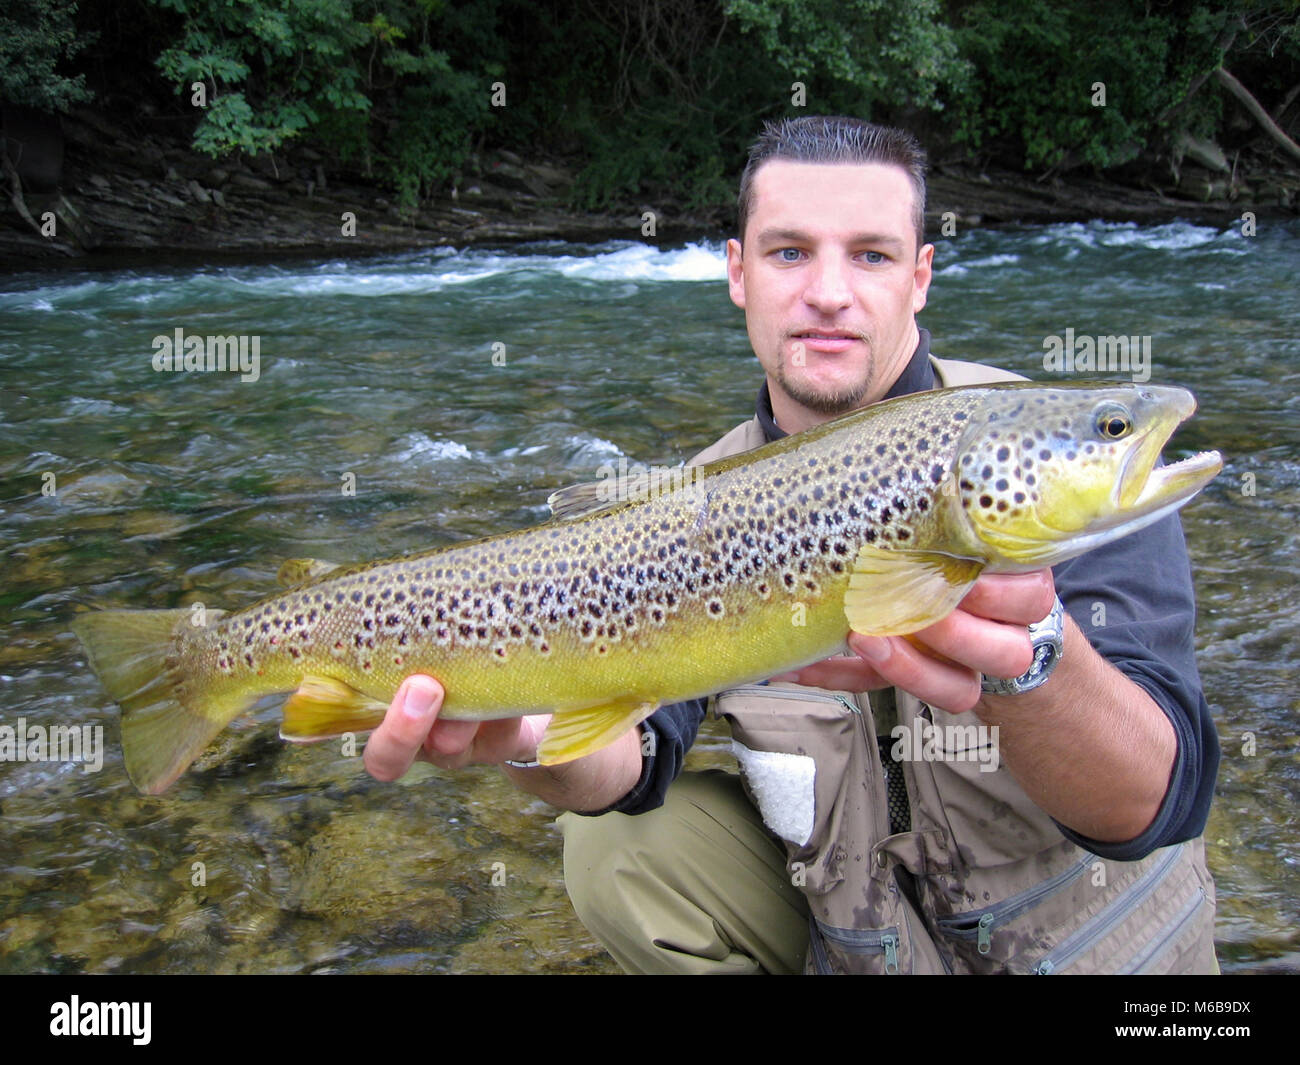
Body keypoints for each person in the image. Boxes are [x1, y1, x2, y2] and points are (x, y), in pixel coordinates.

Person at [362, 116, 1220, 974]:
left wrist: (1034, 664)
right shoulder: (690, 504)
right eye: (789, 253)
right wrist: (523, 733)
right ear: (737, 272)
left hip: (1101, 965)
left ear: (921, 277)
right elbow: (636, 757)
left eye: (873, 256)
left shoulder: (1045, 469)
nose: (830, 292)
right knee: (614, 852)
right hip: (867, 944)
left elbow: (1155, 800)